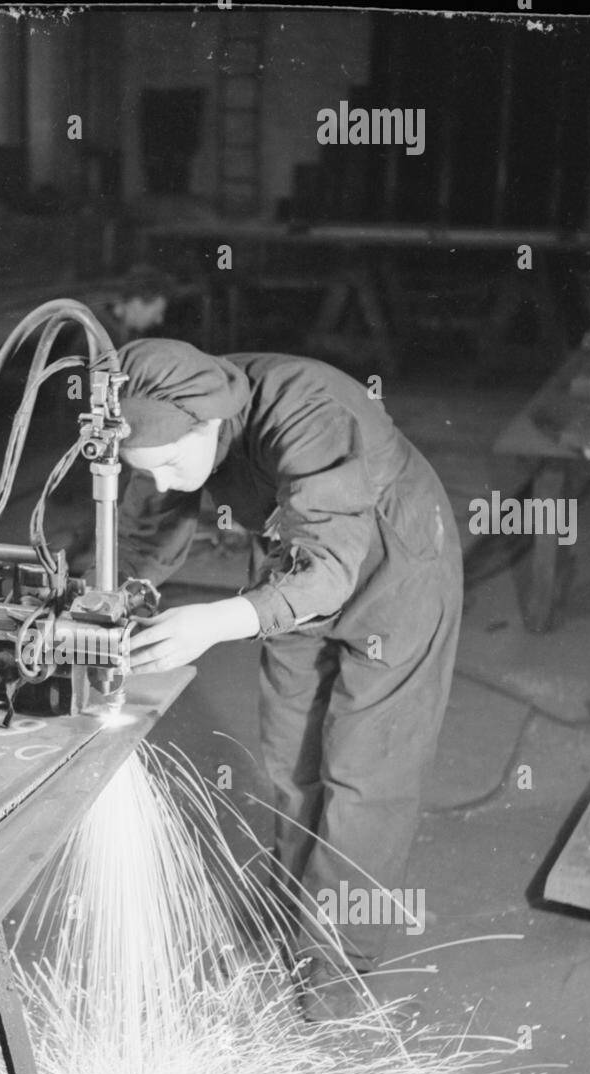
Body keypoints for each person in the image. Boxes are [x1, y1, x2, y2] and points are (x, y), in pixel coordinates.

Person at [108, 339, 463, 1016]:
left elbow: (332, 571)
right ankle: (284, 923)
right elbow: (151, 519)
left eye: (166, 465)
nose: (156, 480)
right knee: (288, 760)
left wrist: (215, 621)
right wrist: (118, 596)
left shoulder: (307, 410)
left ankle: (332, 979)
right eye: (141, 469)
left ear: (210, 426)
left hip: (397, 565)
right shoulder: (173, 407)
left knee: (364, 780)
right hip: (291, 556)